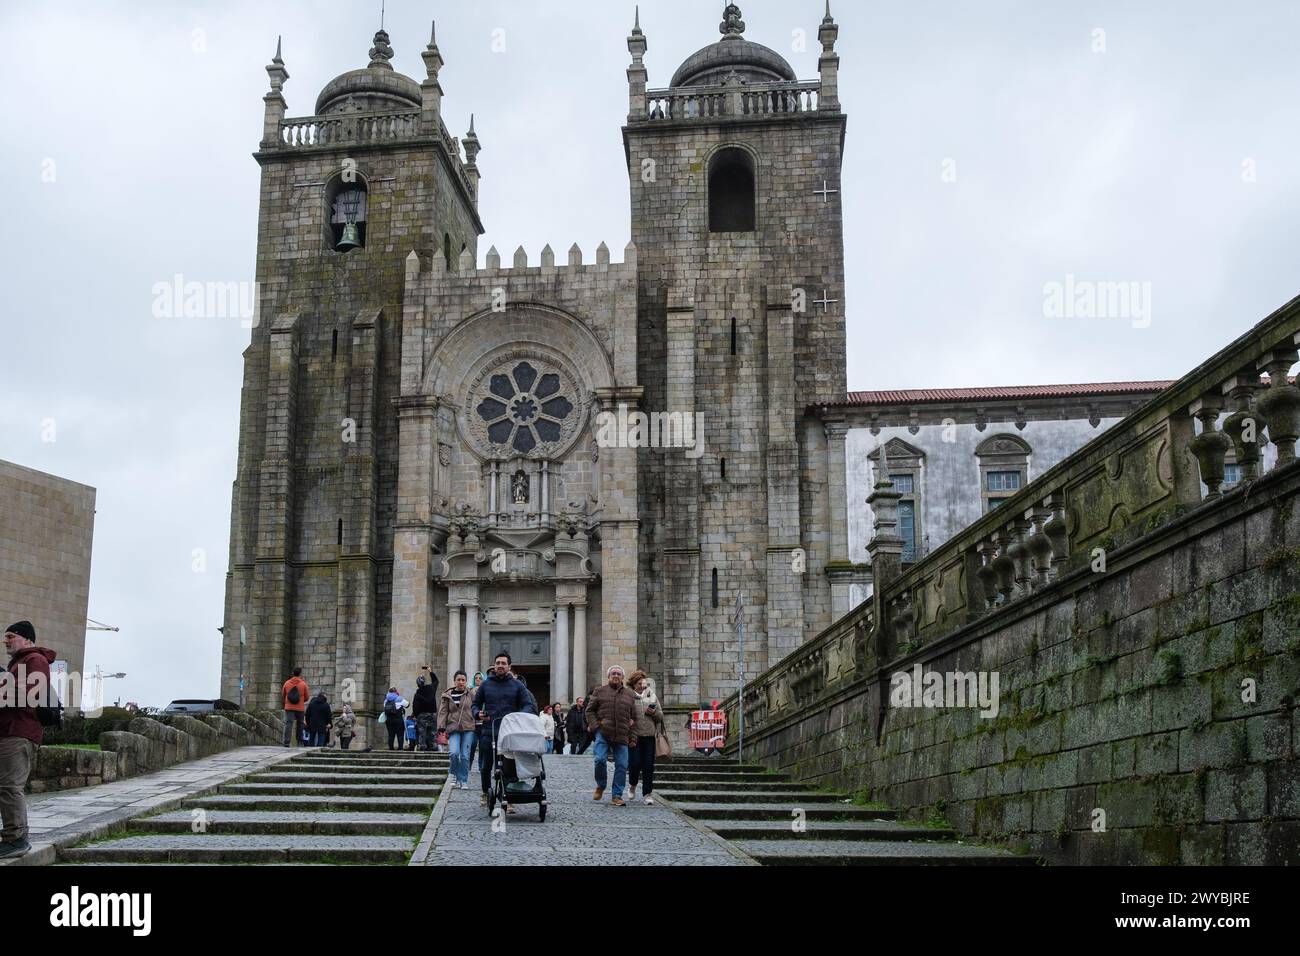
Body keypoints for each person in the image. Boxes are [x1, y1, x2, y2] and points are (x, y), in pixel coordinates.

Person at [0, 621, 56, 860]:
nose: (6, 641)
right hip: (10, 731)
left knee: (10, 786)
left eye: (11, 636)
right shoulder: (18, 663)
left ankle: (16, 839)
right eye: (5, 637)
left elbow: (27, 695)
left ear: (27, 640)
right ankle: (14, 836)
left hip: (19, 732)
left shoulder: (35, 660)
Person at [471, 652, 537, 811]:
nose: (500, 665)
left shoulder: (517, 685)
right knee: (486, 765)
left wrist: (520, 715)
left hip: (509, 733)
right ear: (494, 665)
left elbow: (528, 704)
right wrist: (477, 713)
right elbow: (475, 704)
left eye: (503, 663)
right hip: (489, 730)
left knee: (508, 766)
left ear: (509, 667)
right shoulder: (486, 685)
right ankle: (485, 792)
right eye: (497, 662)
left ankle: (509, 799)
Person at [586, 665, 638, 807]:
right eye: (613, 673)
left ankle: (616, 795)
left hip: (622, 735)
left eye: (618, 674)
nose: (615, 675)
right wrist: (596, 727)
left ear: (622, 677)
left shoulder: (629, 694)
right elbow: (589, 711)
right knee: (600, 760)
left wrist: (633, 738)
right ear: (608, 676)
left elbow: (634, 718)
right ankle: (601, 785)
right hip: (603, 732)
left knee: (622, 765)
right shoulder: (600, 691)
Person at [625, 671, 665, 804]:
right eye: (639, 683)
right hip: (634, 736)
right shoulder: (627, 696)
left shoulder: (651, 695)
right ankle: (632, 784)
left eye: (643, 683)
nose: (642, 686)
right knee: (634, 763)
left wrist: (653, 713)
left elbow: (660, 716)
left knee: (648, 765)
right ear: (633, 684)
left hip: (649, 736)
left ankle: (647, 794)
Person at [438, 670, 476, 789]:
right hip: (453, 727)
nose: (460, 682)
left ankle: (463, 780)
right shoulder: (447, 695)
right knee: (454, 753)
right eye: (458, 680)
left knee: (465, 755)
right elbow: (443, 711)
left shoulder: (471, 694)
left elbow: (475, 707)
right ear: (454, 681)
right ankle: (454, 773)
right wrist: (441, 726)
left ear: (466, 681)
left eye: (463, 680)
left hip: (468, 727)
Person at [412, 668, 440, 751]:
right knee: (433, 732)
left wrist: (415, 715)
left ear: (417, 684)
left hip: (422, 715)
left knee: (422, 733)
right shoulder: (431, 688)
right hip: (432, 714)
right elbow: (436, 681)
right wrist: (430, 671)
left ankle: (422, 747)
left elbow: (415, 707)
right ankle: (434, 747)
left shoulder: (417, 693)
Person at [281, 666, 310, 747]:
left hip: (289, 707)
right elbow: (307, 697)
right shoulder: (303, 684)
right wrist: (301, 701)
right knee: (300, 724)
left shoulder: (287, 683)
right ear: (300, 674)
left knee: (289, 724)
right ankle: (300, 742)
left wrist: (287, 701)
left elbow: (283, 694)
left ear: (293, 673)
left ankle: (287, 742)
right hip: (300, 708)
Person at [467, 672, 486, 770]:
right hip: (473, 723)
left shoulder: (486, 690)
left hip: (483, 723)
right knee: (472, 744)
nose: (478, 679)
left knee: (483, 747)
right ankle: (469, 765)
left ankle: (481, 766)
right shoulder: (469, 690)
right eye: (476, 678)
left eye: (480, 678)